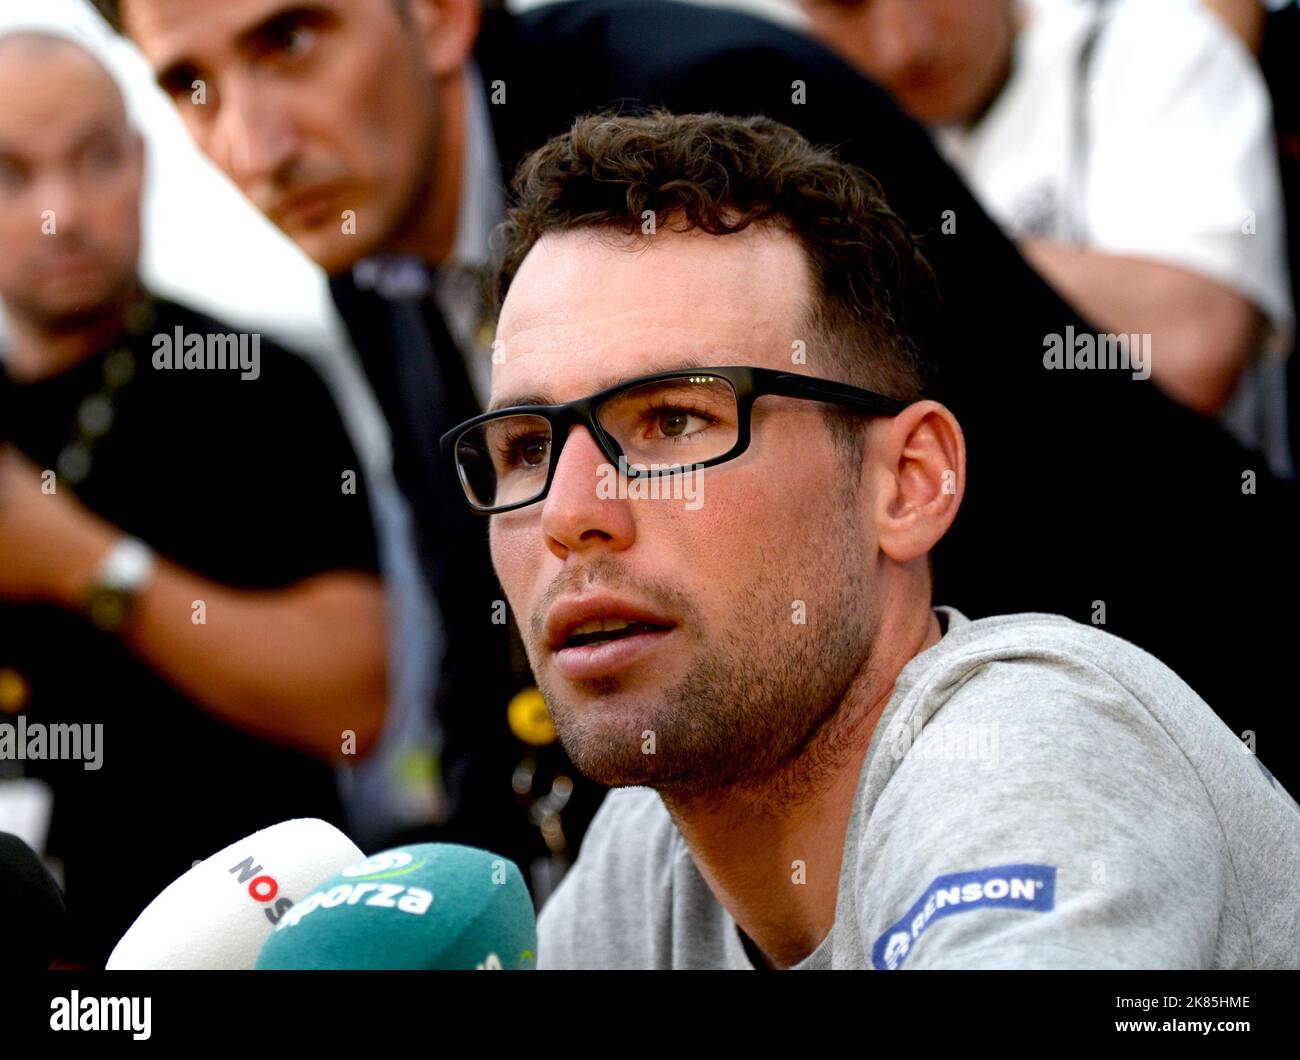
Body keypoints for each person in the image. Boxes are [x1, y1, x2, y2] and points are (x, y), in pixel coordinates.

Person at [95, 0, 1300, 822]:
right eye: (189, 86)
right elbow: (483, 608)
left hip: (1185, 695)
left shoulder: (707, 109)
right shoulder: (367, 241)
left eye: (292, 38)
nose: (253, 142)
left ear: (443, 14)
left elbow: (1010, 473)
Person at [454, 109, 1300, 969]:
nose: (567, 513)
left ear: (907, 483)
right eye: (526, 448)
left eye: (676, 420)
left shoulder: (1028, 753)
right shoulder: (643, 857)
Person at [0, 31, 387, 967]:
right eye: (11, 175)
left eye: (95, 160)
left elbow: (355, 696)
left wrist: (84, 563)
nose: (63, 213)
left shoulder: (253, 383)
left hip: (245, 937)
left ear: (141, 163)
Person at [796, 0, 1295, 474]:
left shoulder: (1151, 46)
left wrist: (926, 246)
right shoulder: (826, 138)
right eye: (846, 6)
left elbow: (1196, 348)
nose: (904, 45)